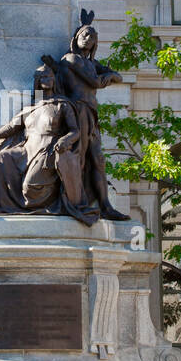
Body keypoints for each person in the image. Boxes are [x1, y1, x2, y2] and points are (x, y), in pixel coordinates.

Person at [0, 63, 100, 224]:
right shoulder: (31, 107)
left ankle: (27, 207)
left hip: (47, 149)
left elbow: (75, 131)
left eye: (51, 77)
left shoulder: (62, 104)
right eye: (44, 77)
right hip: (27, 148)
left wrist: (64, 140)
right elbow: (12, 126)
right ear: (37, 81)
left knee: (29, 188)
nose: (48, 80)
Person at [51, 15, 128, 221]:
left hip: (91, 114)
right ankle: (78, 201)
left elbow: (119, 76)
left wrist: (110, 75)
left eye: (92, 37)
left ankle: (105, 205)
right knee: (82, 159)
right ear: (76, 37)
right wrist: (108, 76)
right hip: (78, 112)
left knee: (98, 160)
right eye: (84, 34)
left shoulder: (90, 62)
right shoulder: (71, 59)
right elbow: (95, 82)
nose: (88, 38)